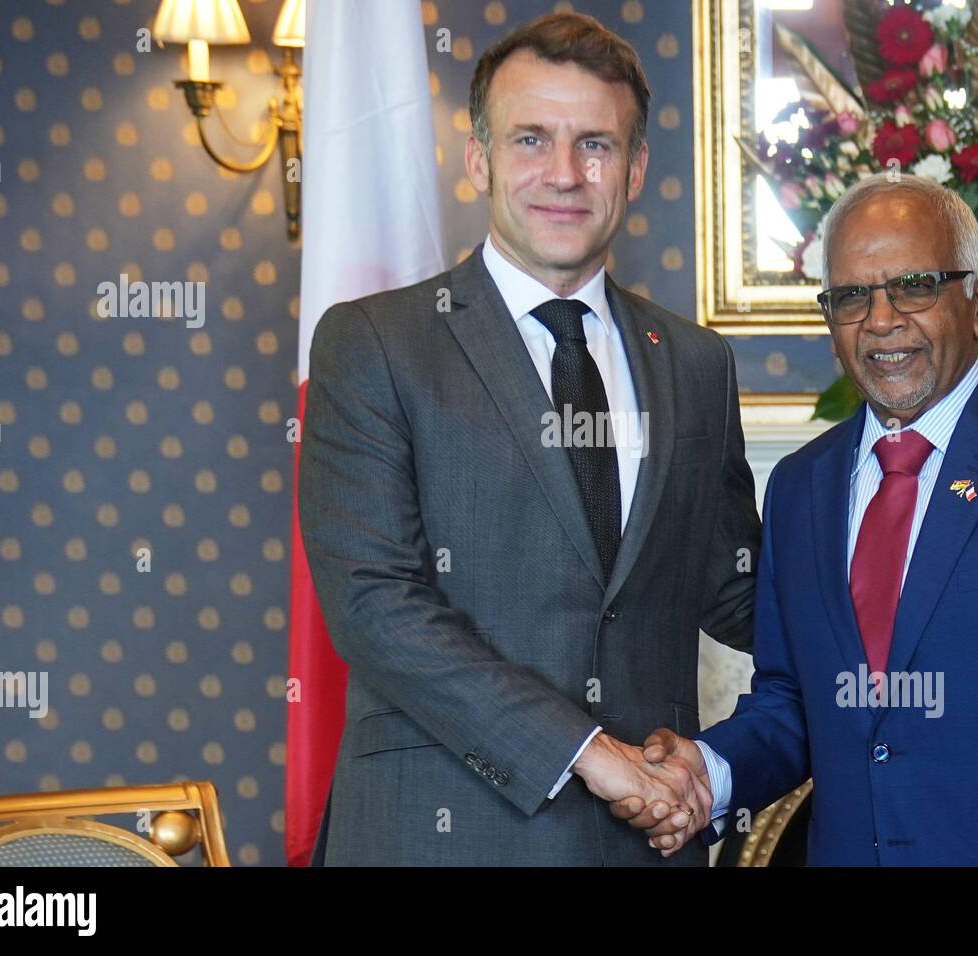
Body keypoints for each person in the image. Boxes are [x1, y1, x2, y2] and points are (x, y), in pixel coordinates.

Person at [617, 173, 978, 866]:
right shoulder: (799, 488)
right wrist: (707, 771)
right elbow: (796, 701)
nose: (882, 319)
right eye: (851, 297)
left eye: (915, 286)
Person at [298, 12, 758, 865]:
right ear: (478, 158)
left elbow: (735, 590)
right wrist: (590, 755)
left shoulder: (696, 363)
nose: (564, 174)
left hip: (646, 840)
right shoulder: (375, 343)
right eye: (530, 139)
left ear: (636, 167)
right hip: (437, 833)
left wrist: (917, 614)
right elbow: (375, 607)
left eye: (596, 145)